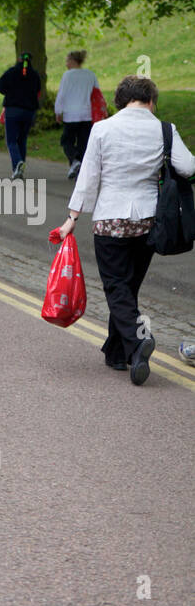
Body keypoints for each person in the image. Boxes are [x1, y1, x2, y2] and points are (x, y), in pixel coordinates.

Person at [53, 75, 194, 385]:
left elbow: (89, 176)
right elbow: (188, 167)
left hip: (110, 219)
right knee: (128, 287)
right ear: (151, 100)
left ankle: (137, 341)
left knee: (116, 286)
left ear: (120, 99)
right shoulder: (164, 129)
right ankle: (116, 353)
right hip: (147, 221)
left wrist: (72, 218)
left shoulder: (103, 128)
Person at [0, 51, 42, 179]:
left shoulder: (11, 72)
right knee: (22, 139)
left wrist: (10, 92)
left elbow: (0, 86)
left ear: (19, 59)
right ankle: (19, 168)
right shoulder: (35, 75)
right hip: (29, 111)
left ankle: (17, 163)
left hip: (13, 110)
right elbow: (38, 89)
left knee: (11, 140)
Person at [55, 50, 98, 179]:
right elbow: (97, 93)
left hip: (71, 114)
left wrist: (58, 111)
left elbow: (61, 94)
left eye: (67, 60)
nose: (66, 64)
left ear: (73, 61)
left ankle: (74, 161)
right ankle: (79, 169)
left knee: (66, 141)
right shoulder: (90, 75)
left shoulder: (68, 75)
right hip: (86, 114)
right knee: (83, 143)